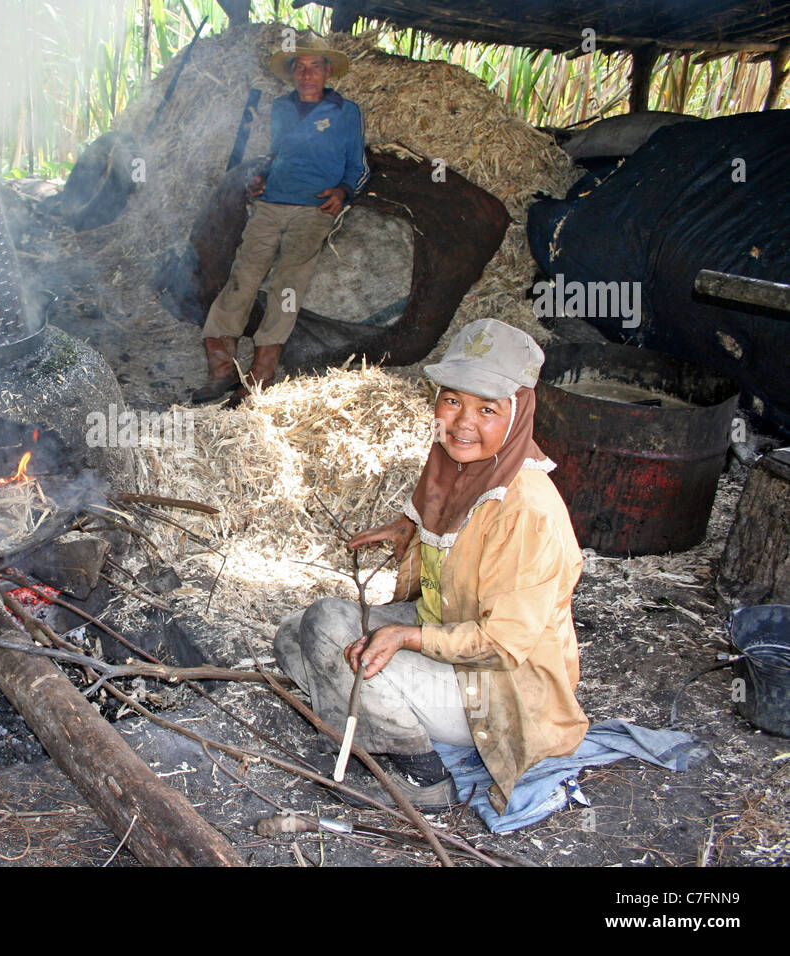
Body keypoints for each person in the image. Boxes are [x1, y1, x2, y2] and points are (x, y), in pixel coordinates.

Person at [274, 319, 589, 812]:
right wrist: (406, 529)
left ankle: (422, 774)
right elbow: (445, 519)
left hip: (497, 691)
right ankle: (362, 725)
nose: (464, 422)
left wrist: (408, 637)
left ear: (519, 412)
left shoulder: (526, 510)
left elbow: (504, 645)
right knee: (294, 632)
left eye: (488, 409)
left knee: (329, 627)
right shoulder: (461, 459)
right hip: (448, 631)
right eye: (452, 400)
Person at [192, 33, 368, 404]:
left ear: (327, 71)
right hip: (270, 204)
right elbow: (279, 155)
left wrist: (343, 192)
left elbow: (357, 165)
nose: (306, 74)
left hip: (314, 209)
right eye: (299, 68)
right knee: (243, 276)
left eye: (314, 66)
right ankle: (221, 368)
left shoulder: (346, 111)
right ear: (292, 74)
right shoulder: (282, 108)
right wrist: (262, 179)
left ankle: (262, 371)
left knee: (288, 284)